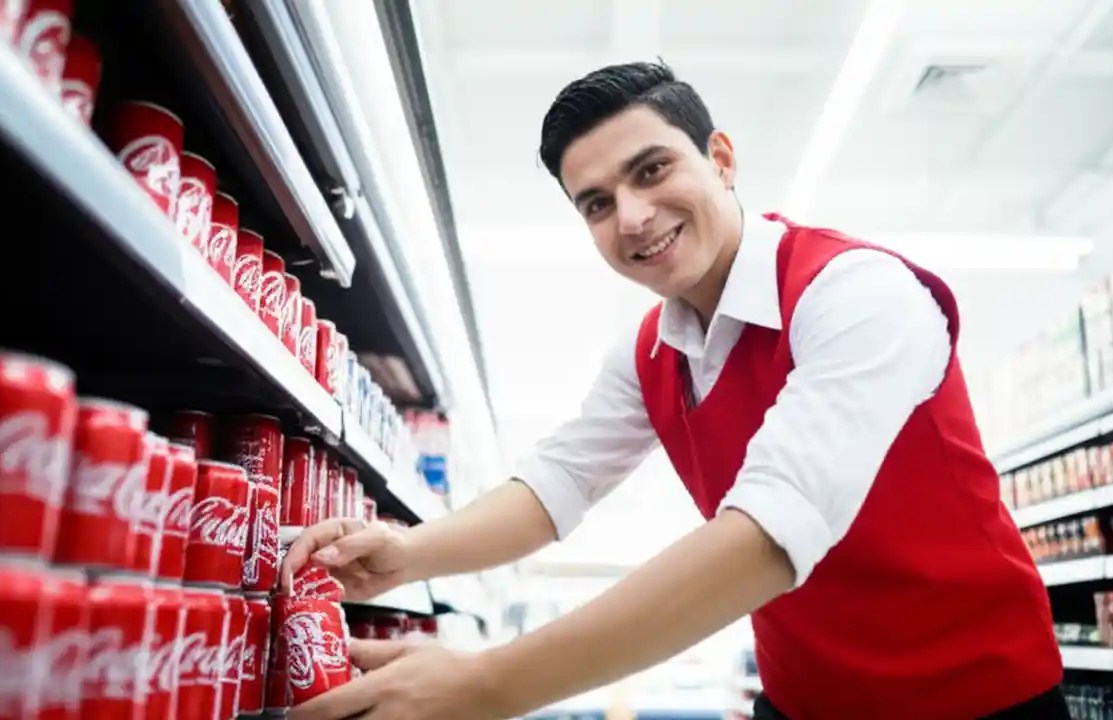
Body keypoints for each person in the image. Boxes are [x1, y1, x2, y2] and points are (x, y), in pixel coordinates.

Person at [282, 61, 1066, 720]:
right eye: (596, 203)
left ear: (721, 159)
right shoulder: (653, 350)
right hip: (803, 701)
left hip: (978, 699)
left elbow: (768, 537)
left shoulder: (857, 293)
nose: (632, 217)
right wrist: (409, 553)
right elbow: (559, 483)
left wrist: (487, 685)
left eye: (652, 170)